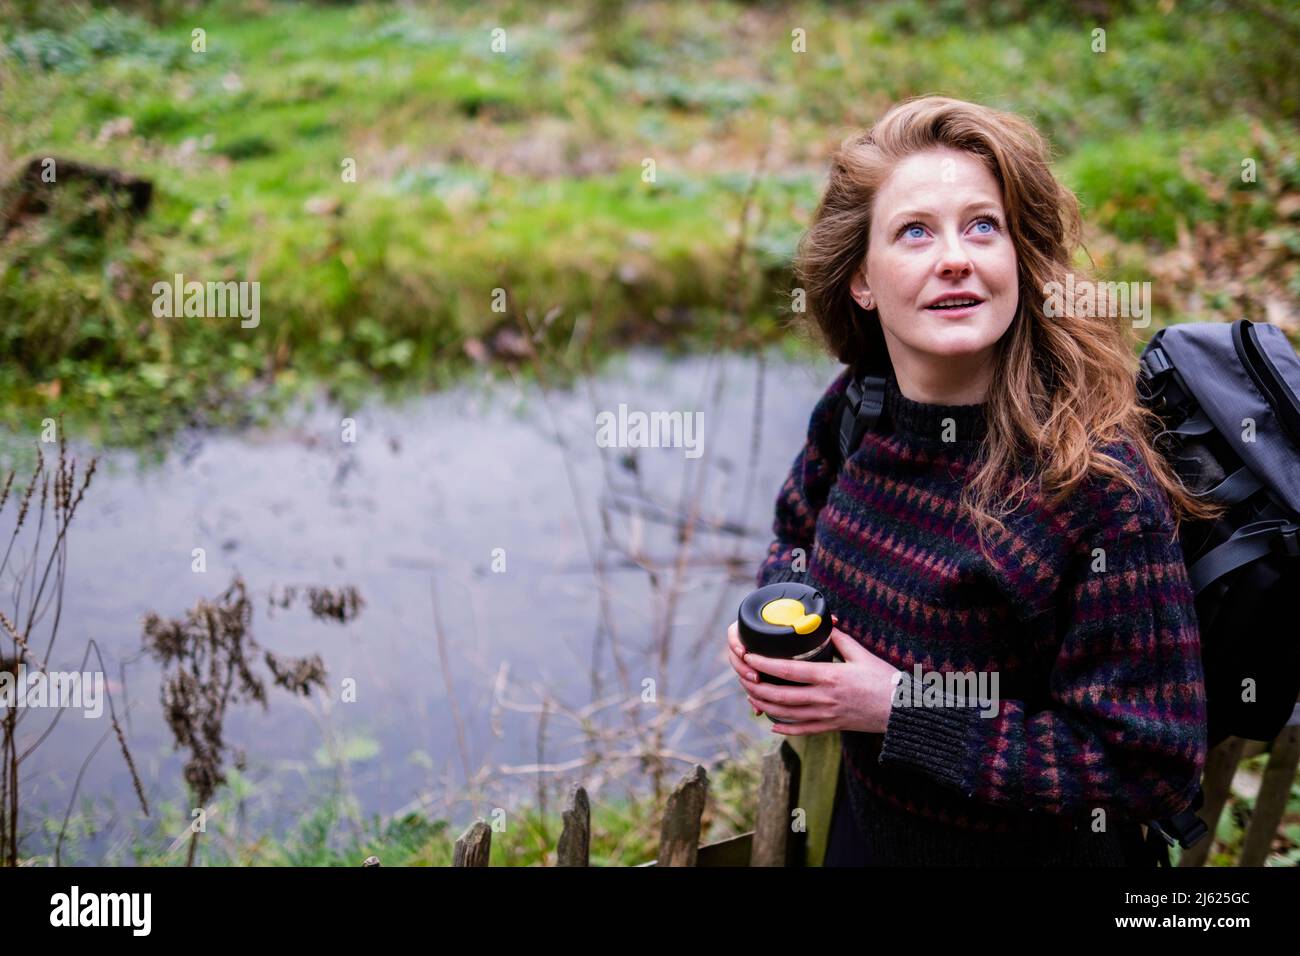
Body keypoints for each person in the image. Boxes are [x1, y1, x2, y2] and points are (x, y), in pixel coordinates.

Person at [725, 95, 1227, 866]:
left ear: (1019, 260)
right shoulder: (859, 410)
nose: (954, 256)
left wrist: (898, 707)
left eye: (982, 226)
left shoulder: (1093, 488)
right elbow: (795, 534)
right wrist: (779, 622)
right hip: (867, 839)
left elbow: (1144, 768)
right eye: (915, 231)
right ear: (861, 279)